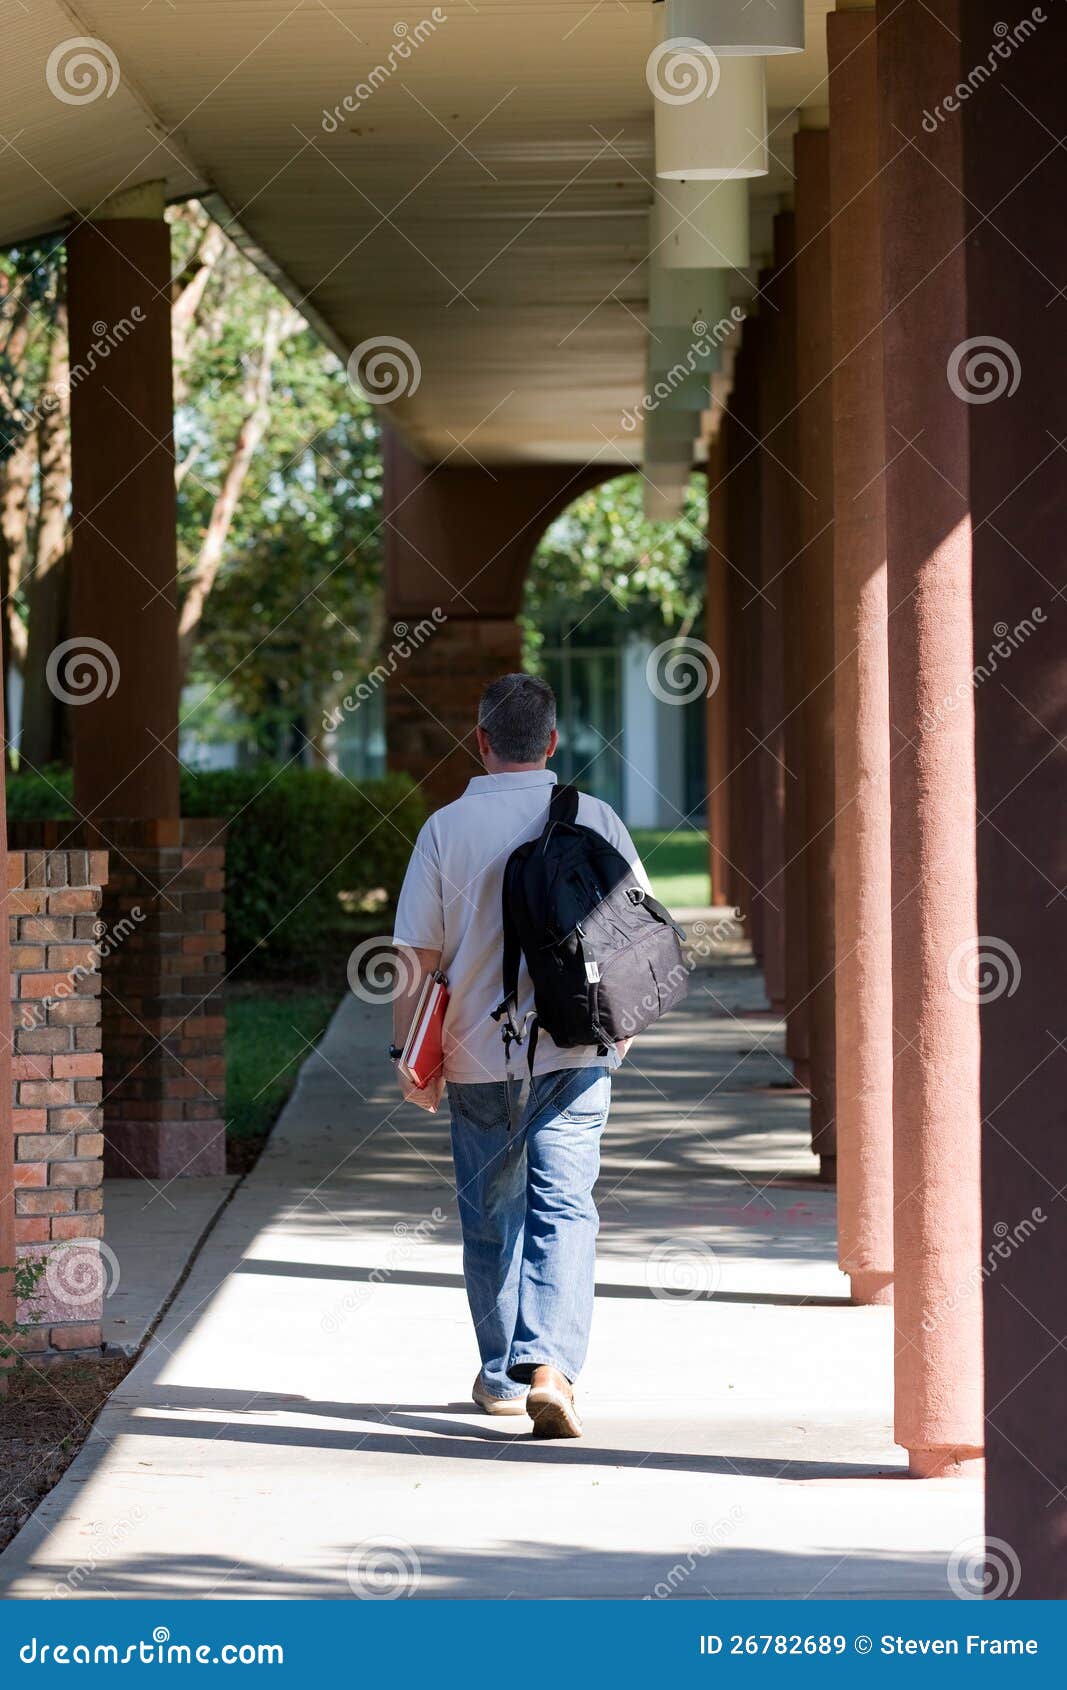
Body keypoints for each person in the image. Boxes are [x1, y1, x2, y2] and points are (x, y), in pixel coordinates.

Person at [391, 673, 651, 1439]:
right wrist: (622, 1028)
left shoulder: (445, 829)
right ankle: (551, 1368)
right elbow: (639, 933)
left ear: (479, 740)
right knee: (565, 1206)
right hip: (575, 1047)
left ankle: (504, 1376)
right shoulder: (594, 817)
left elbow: (414, 956)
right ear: (552, 740)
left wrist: (409, 1055)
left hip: (476, 1053)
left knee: (489, 1215)